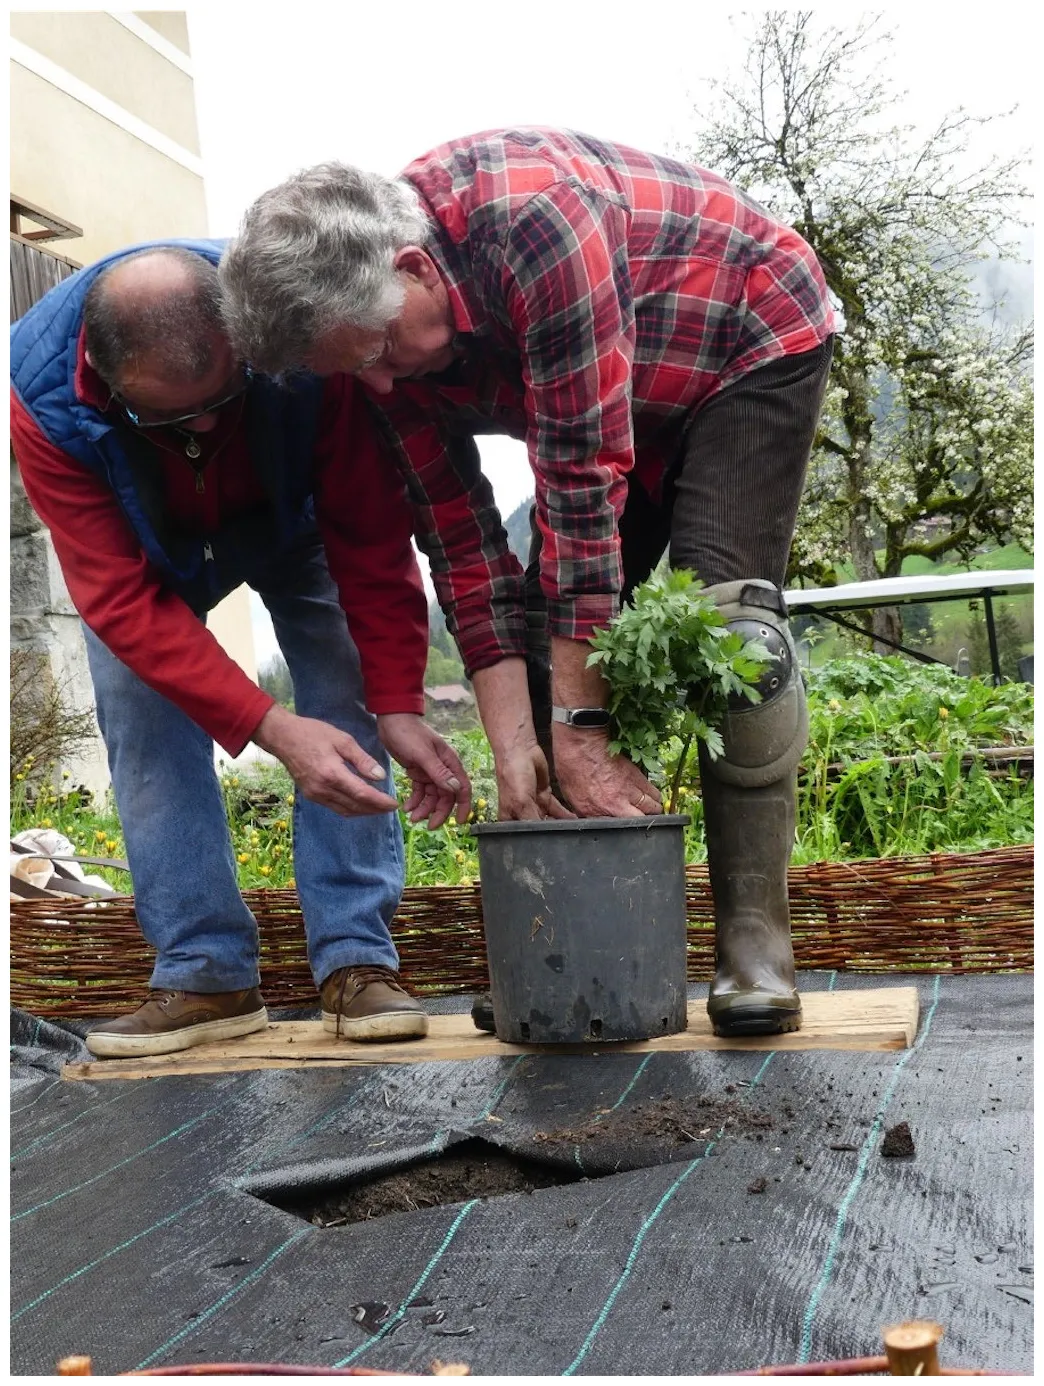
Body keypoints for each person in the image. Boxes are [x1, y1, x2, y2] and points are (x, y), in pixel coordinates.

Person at [218, 127, 836, 1038]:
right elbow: (461, 544)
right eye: (354, 369)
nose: (378, 386)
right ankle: (576, 946)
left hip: (738, 343)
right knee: (553, 647)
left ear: (415, 270)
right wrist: (516, 745)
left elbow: (579, 484)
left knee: (730, 633)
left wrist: (580, 730)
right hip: (610, 400)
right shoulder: (372, 342)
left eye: (381, 354)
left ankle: (754, 940)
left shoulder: (536, 221)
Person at [10, 240, 471, 1058]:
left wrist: (398, 702)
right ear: (106, 383)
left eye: (223, 399)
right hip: (146, 551)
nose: (205, 427)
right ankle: (206, 973)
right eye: (170, 419)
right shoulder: (38, 396)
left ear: (247, 343)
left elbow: (369, 536)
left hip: (296, 521)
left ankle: (357, 960)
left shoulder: (302, 326)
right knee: (141, 711)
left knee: (345, 671)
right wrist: (270, 728)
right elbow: (118, 599)